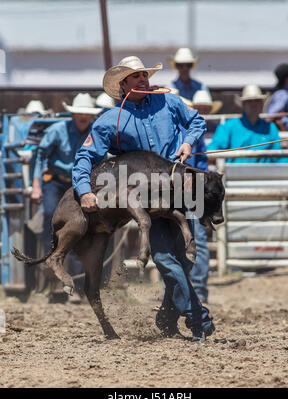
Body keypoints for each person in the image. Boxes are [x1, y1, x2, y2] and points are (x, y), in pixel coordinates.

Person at [72, 56, 215, 342]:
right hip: (149, 200)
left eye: (144, 75)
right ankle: (200, 319)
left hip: (181, 189)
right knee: (165, 258)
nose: (143, 80)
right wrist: (84, 190)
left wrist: (188, 141)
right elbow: (85, 156)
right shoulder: (110, 120)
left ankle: (166, 317)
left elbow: (196, 120)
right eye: (136, 76)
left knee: (183, 264)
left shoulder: (169, 102)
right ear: (123, 84)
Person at [31, 93, 102, 302]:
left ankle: (76, 287)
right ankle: (52, 281)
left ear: (91, 116)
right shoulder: (57, 130)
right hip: (56, 181)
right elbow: (40, 156)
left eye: (86, 113)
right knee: (52, 223)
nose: (83, 116)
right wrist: (36, 185)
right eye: (80, 112)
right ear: (73, 114)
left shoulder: (95, 134)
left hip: (81, 185)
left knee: (83, 230)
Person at [184, 90, 223, 303]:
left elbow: (202, 164)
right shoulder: (192, 130)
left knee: (197, 236)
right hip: (174, 188)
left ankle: (198, 289)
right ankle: (177, 288)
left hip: (193, 188)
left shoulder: (194, 130)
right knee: (177, 237)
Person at [208, 84, 288, 164]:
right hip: (234, 177)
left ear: (262, 103)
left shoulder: (271, 128)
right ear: (243, 104)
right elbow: (214, 148)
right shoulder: (228, 126)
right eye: (249, 101)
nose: (254, 104)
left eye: (257, 101)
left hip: (265, 177)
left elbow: (278, 157)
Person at [265, 63, 288, 131]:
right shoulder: (283, 94)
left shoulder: (283, 93)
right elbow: (271, 115)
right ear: (287, 78)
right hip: (279, 132)